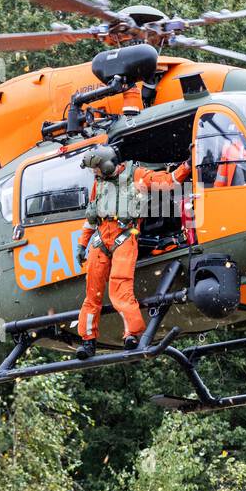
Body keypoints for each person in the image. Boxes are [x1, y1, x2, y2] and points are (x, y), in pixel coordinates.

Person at [75, 144, 190, 358]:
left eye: (97, 169)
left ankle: (131, 334)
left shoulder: (136, 175)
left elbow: (167, 182)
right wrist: (82, 244)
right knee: (93, 293)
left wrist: (188, 166)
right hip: (100, 238)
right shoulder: (98, 184)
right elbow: (91, 218)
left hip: (125, 236)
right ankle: (88, 340)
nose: (95, 173)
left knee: (120, 289)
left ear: (108, 166)